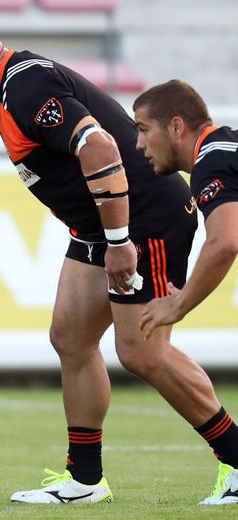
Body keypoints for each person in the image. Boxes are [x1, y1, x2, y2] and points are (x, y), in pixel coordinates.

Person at [0, 16, 237, 505]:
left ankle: (237, 460)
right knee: (70, 337)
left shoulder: (23, 87)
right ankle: (85, 480)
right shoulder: (12, 91)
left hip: (142, 222)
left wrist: (119, 240)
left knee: (142, 352)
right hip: (99, 228)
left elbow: (98, 145)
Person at [133, 79, 238, 504]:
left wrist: (178, 303)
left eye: (143, 129)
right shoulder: (227, 148)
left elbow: (225, 241)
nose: (139, 145)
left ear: (176, 127)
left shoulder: (211, 162)